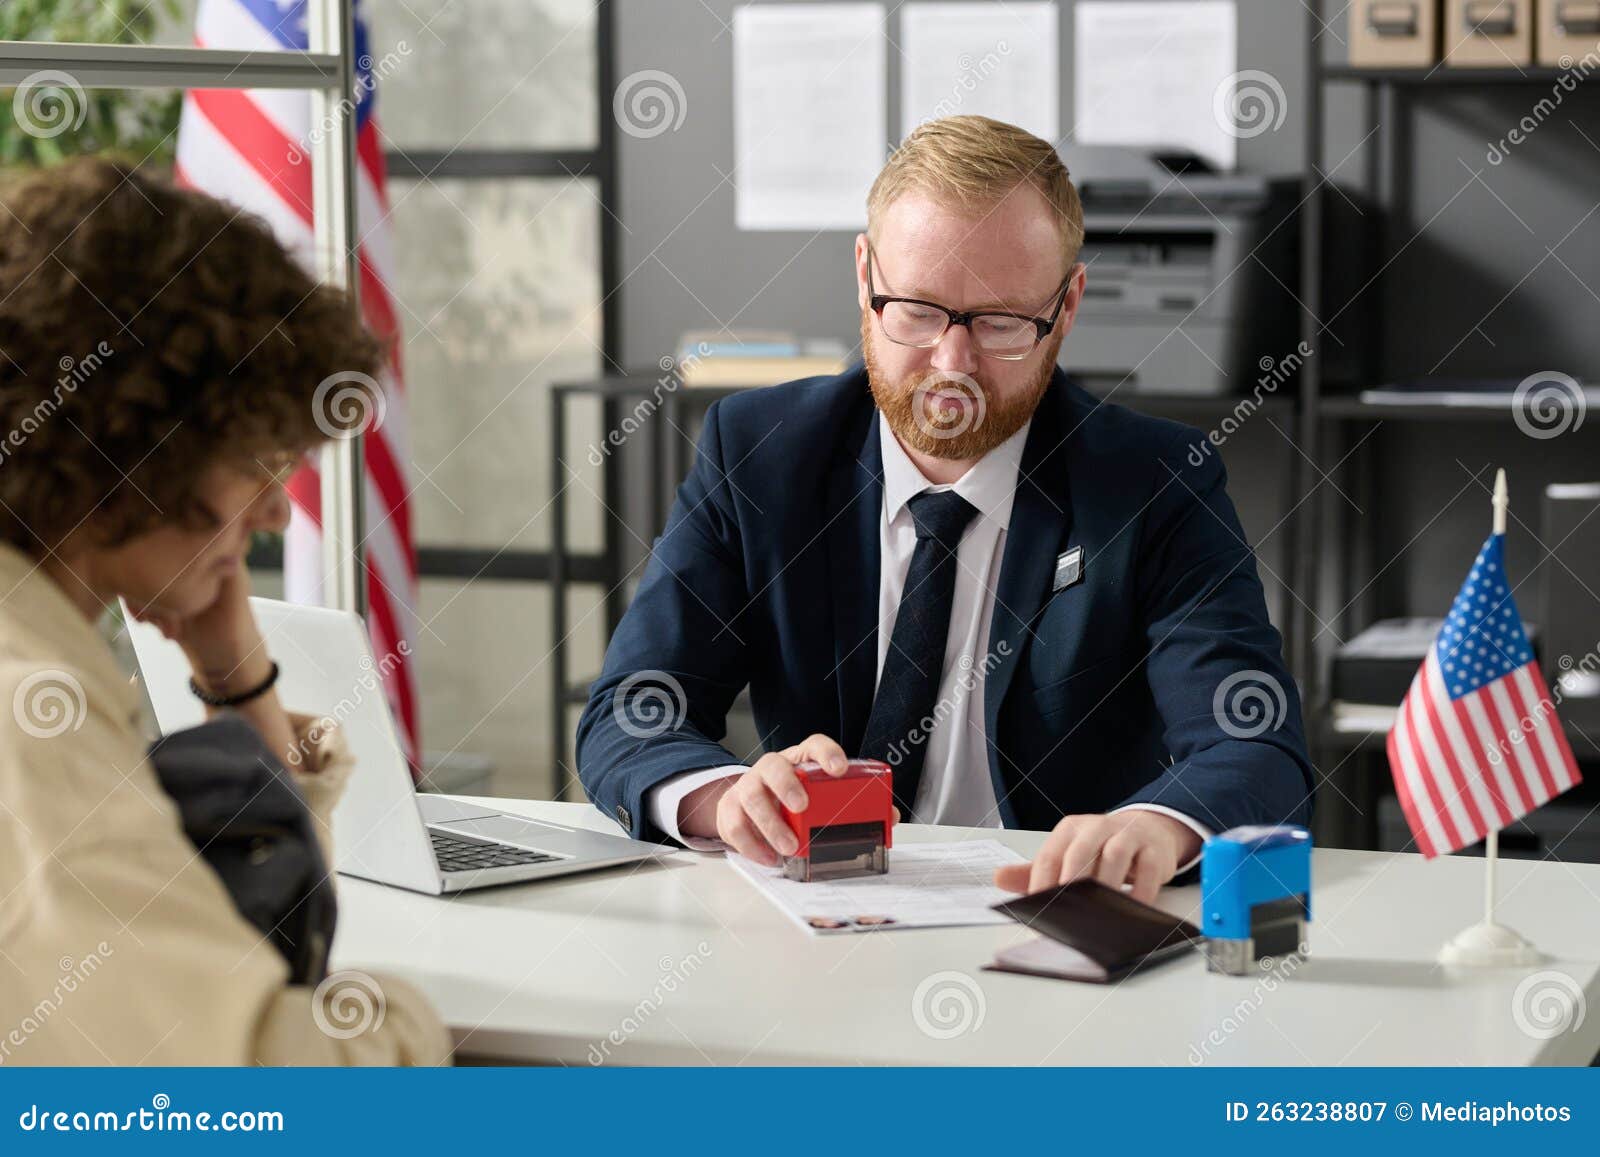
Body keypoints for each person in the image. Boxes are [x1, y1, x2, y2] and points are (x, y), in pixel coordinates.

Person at [577, 116, 1313, 903]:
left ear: (1065, 309)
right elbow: (633, 709)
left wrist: (1159, 827)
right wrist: (725, 800)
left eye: (999, 322)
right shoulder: (759, 454)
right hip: (814, 914)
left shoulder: (1157, 482)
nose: (951, 364)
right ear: (865, 278)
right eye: (919, 311)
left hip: (1048, 922)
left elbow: (1256, 741)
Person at [0, 158, 446, 1065]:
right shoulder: (32, 711)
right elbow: (249, 1085)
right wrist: (409, 1024)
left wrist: (237, 675)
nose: (280, 509)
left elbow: (244, 925)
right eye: (254, 454)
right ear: (137, 448)